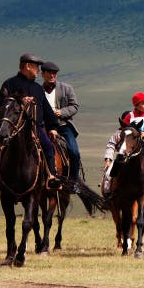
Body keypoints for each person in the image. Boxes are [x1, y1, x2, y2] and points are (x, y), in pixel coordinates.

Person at [0, 53, 61, 197]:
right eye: (36, 67)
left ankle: (51, 177)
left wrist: (52, 127)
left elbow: (46, 109)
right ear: (28, 66)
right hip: (11, 127)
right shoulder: (10, 83)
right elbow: (1, 101)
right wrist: (19, 99)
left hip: (34, 128)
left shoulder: (38, 89)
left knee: (48, 147)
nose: (38, 70)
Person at [40, 61, 83, 191]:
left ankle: (73, 181)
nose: (52, 75)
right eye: (49, 73)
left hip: (62, 125)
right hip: (43, 126)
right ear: (43, 74)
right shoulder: (38, 90)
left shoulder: (66, 88)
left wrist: (62, 112)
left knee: (74, 152)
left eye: (54, 73)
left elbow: (74, 106)